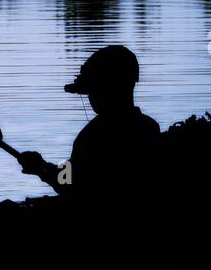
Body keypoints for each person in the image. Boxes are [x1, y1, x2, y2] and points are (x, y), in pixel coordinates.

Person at [18, 46, 160, 205]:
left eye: (92, 91)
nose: (90, 97)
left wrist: (41, 168)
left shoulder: (92, 137)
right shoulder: (149, 127)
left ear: (106, 90)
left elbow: (70, 183)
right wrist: (43, 166)